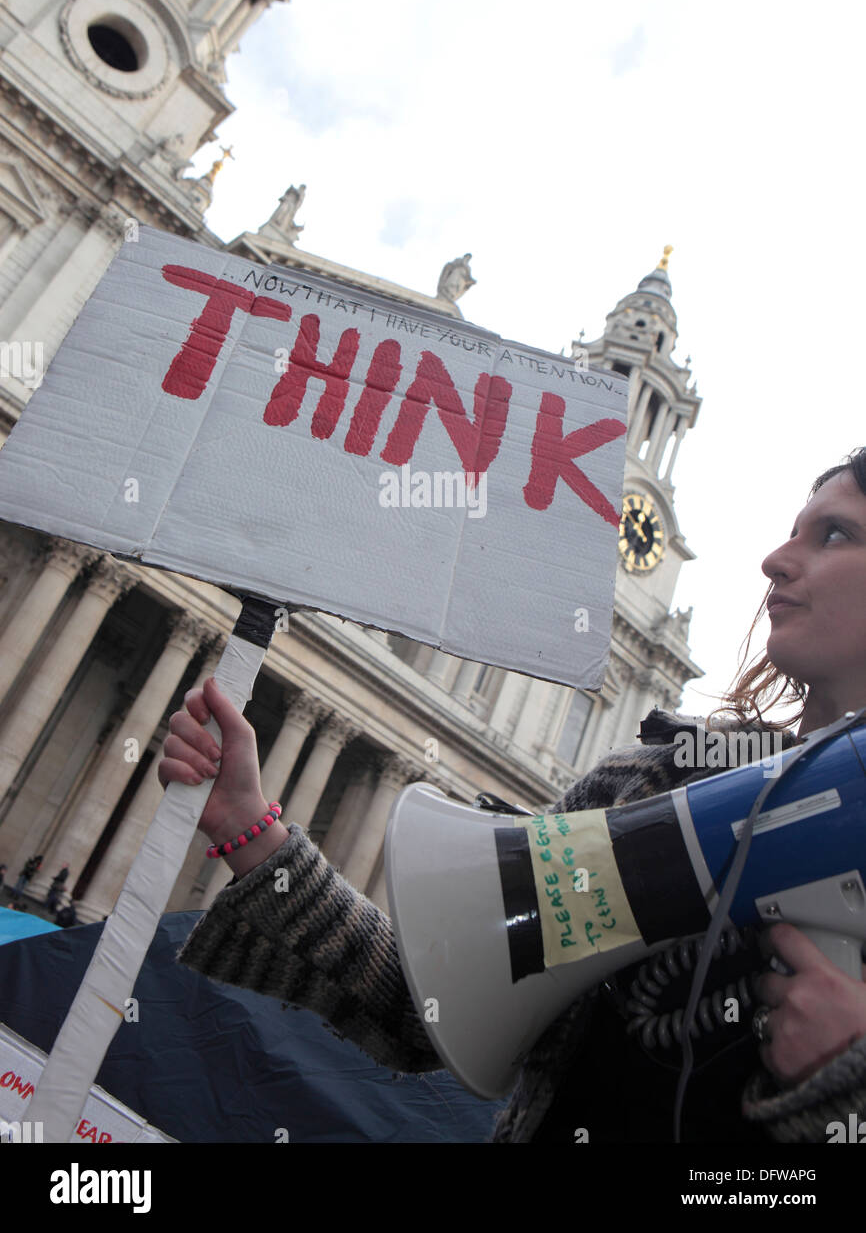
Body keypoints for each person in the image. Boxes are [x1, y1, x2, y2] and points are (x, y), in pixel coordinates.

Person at [163, 449, 866, 1143]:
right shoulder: (659, 781)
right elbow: (434, 1004)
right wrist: (252, 830)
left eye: (834, 534)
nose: (774, 558)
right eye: (794, 529)